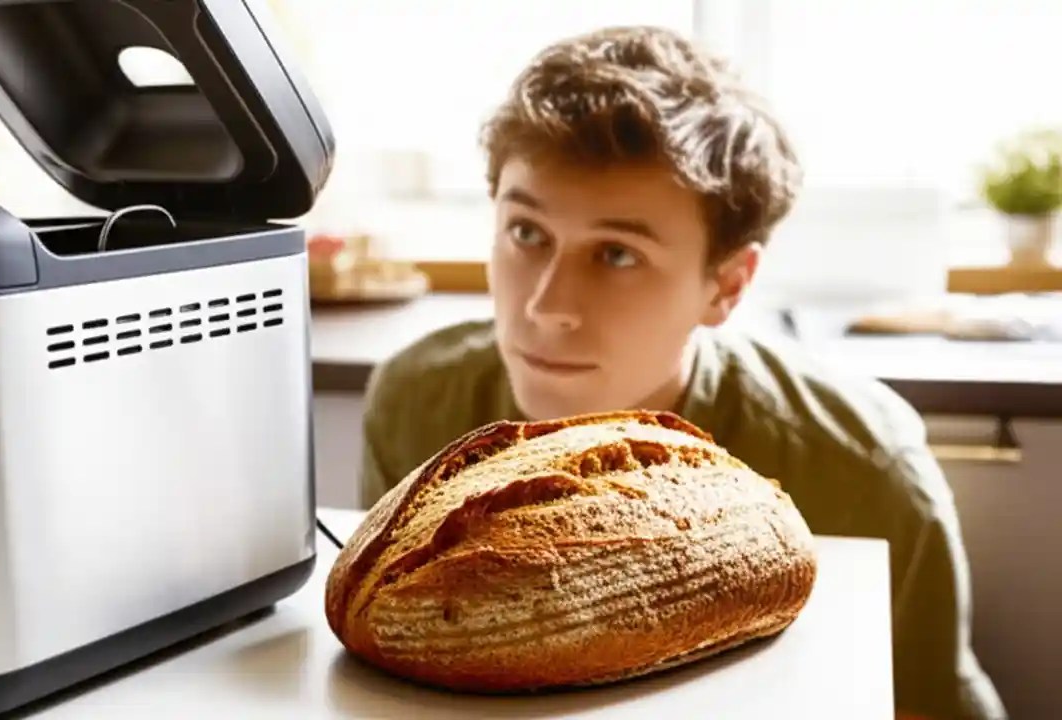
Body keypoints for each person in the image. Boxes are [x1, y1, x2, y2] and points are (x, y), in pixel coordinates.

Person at [356, 25, 1005, 720]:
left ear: (727, 285)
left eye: (617, 255)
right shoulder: (415, 404)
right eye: (526, 233)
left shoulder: (868, 472)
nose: (545, 307)